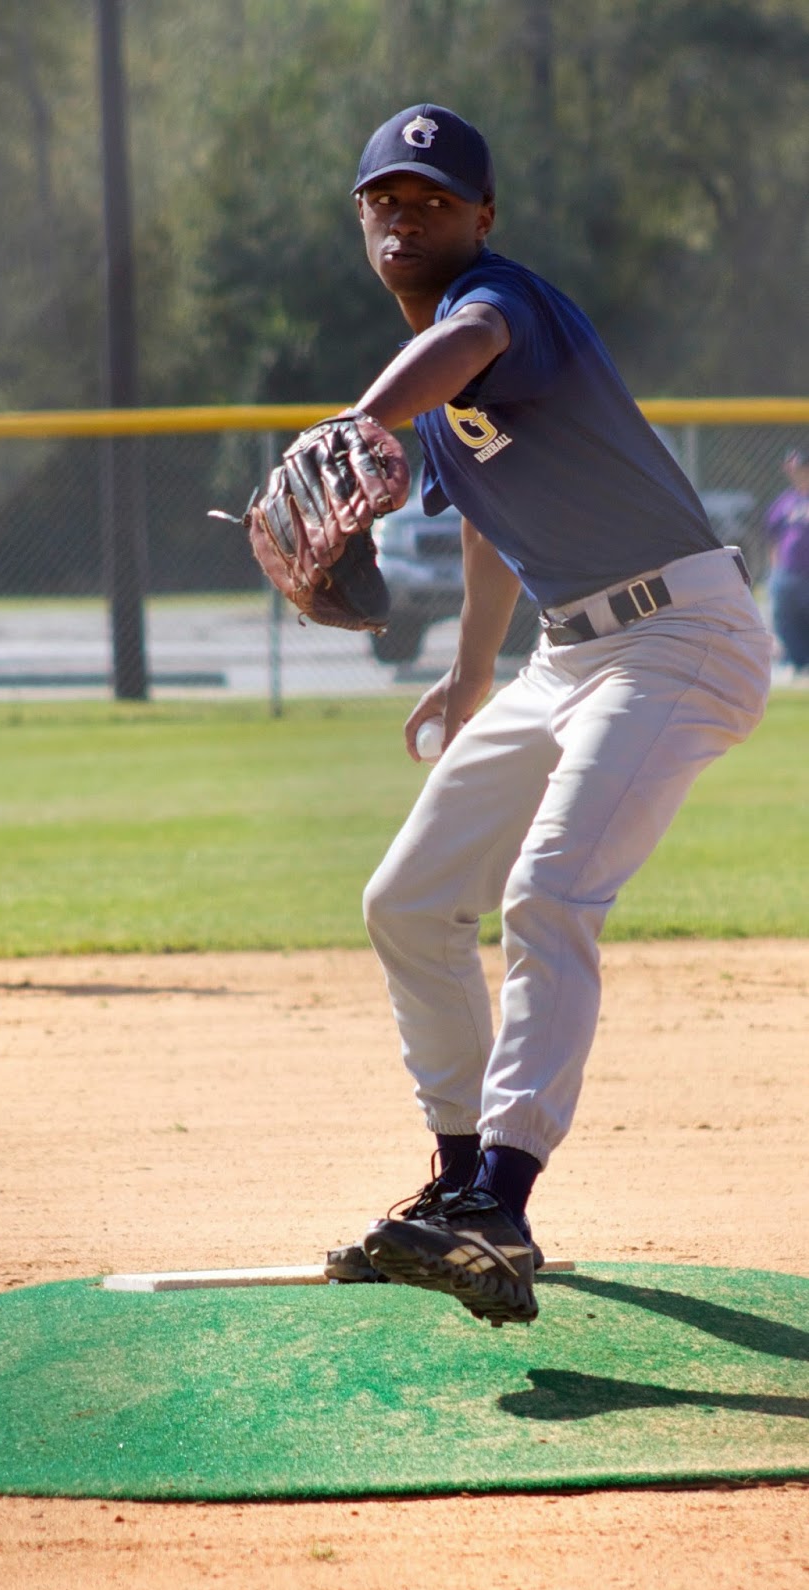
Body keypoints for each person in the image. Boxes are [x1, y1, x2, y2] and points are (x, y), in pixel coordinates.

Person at [320, 106, 771, 1325]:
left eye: (431, 199)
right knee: (407, 900)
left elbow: (468, 341)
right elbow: (486, 527)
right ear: (360, 218)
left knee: (547, 892)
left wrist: (364, 419)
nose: (405, 217)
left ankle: (500, 1201)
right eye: (384, 199)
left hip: (679, 635)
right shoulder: (443, 389)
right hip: (563, 655)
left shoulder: (499, 305)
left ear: (481, 216)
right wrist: (469, 677)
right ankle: (456, 1180)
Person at [763, 448, 809, 673]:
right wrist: (775, 572)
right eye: (794, 469)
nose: (797, 473)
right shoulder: (785, 501)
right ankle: (796, 666)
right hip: (788, 575)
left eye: (802, 468)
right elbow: (772, 537)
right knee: (787, 622)